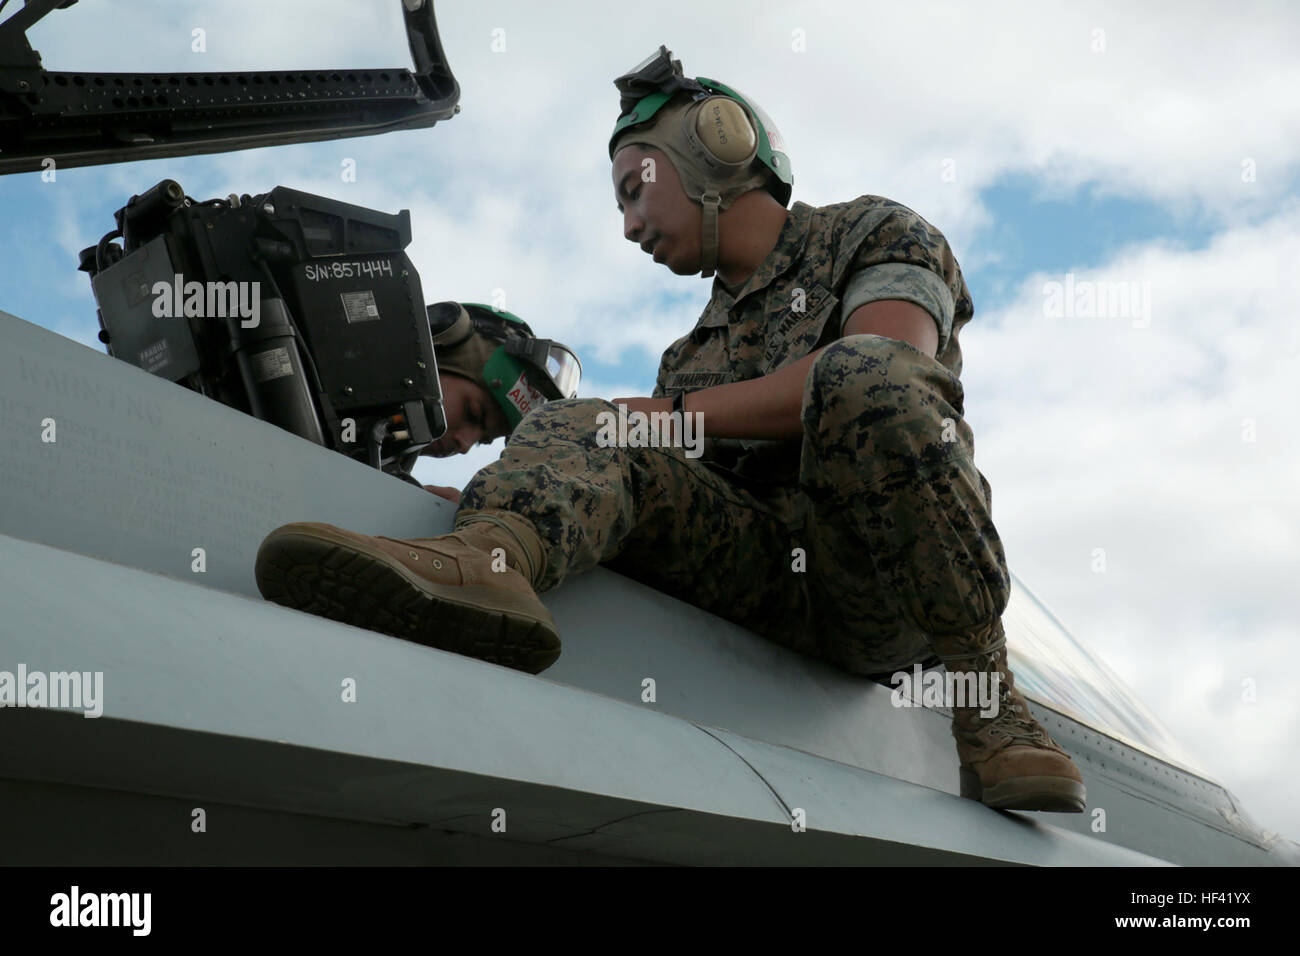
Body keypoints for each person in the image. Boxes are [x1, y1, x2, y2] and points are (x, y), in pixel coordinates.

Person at [255, 47, 1086, 813]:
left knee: (855, 375)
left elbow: (891, 360)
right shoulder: (686, 358)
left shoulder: (870, 234)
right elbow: (653, 478)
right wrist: (513, 486)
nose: (628, 227)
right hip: (764, 585)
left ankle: (989, 709)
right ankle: (489, 559)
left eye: (633, 189)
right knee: (594, 428)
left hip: (884, 580)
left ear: (713, 150)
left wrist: (665, 417)